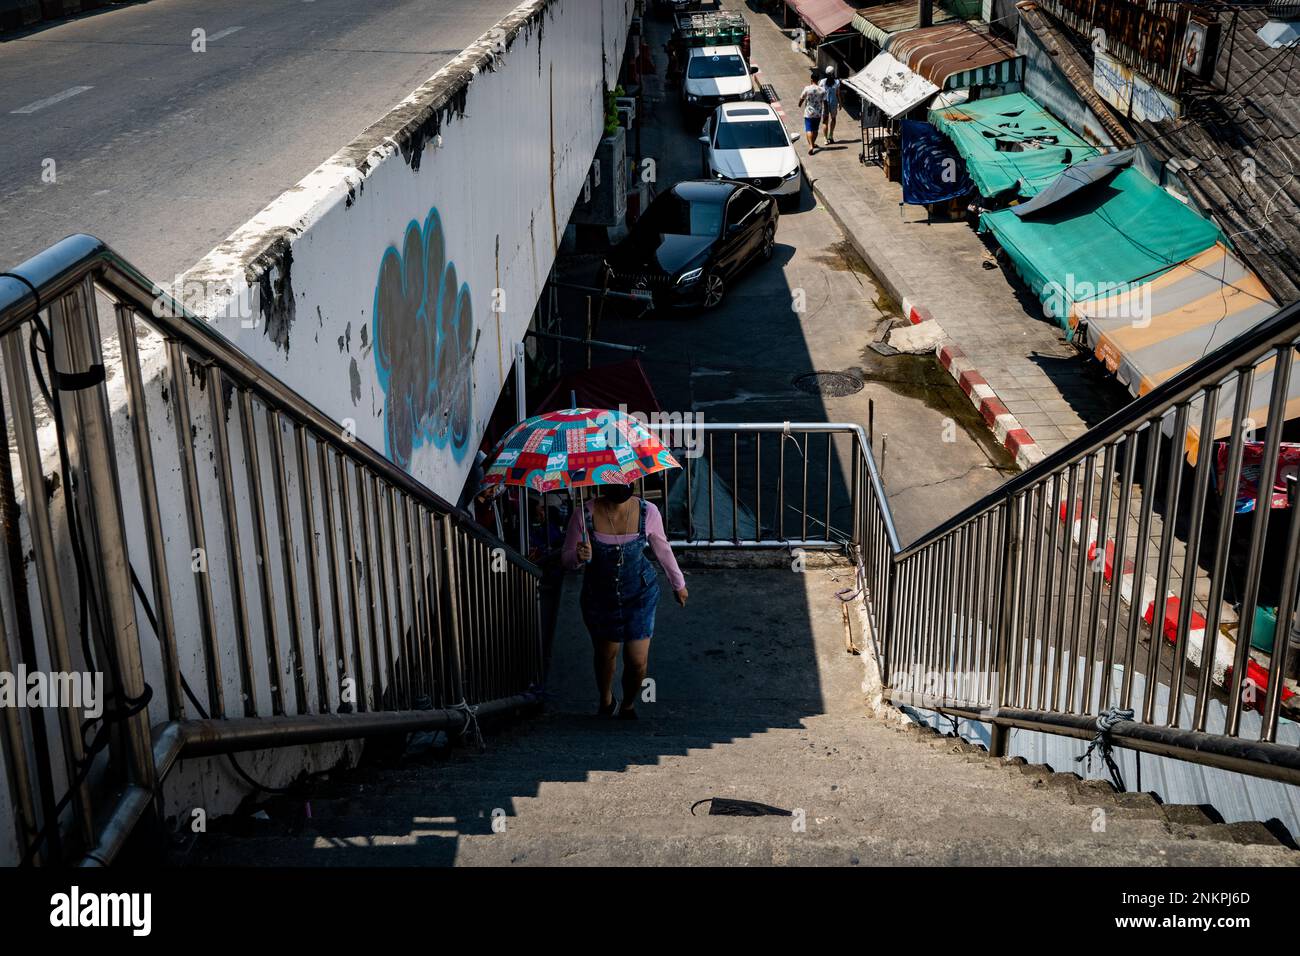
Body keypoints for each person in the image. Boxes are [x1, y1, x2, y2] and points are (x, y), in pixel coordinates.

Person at [562, 483, 687, 719]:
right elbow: (566, 559)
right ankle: (606, 699)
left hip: (639, 593)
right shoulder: (583, 514)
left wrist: (678, 584)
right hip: (600, 596)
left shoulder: (647, 512)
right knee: (606, 654)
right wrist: (578, 556)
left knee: (638, 661)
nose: (621, 485)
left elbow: (662, 548)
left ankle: (628, 704)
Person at [797, 68, 826, 156]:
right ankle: (813, 143)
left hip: (808, 113)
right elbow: (825, 101)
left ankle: (810, 145)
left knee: (809, 129)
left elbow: (802, 98)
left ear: (811, 79)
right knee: (815, 130)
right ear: (818, 80)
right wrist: (825, 112)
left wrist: (799, 104)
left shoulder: (807, 88)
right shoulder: (822, 90)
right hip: (818, 113)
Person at [819, 65, 841, 145]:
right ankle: (831, 136)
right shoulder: (837, 82)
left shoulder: (822, 82)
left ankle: (825, 139)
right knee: (833, 119)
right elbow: (838, 94)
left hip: (825, 103)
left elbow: (820, 93)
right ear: (833, 73)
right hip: (833, 103)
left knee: (825, 121)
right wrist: (840, 104)